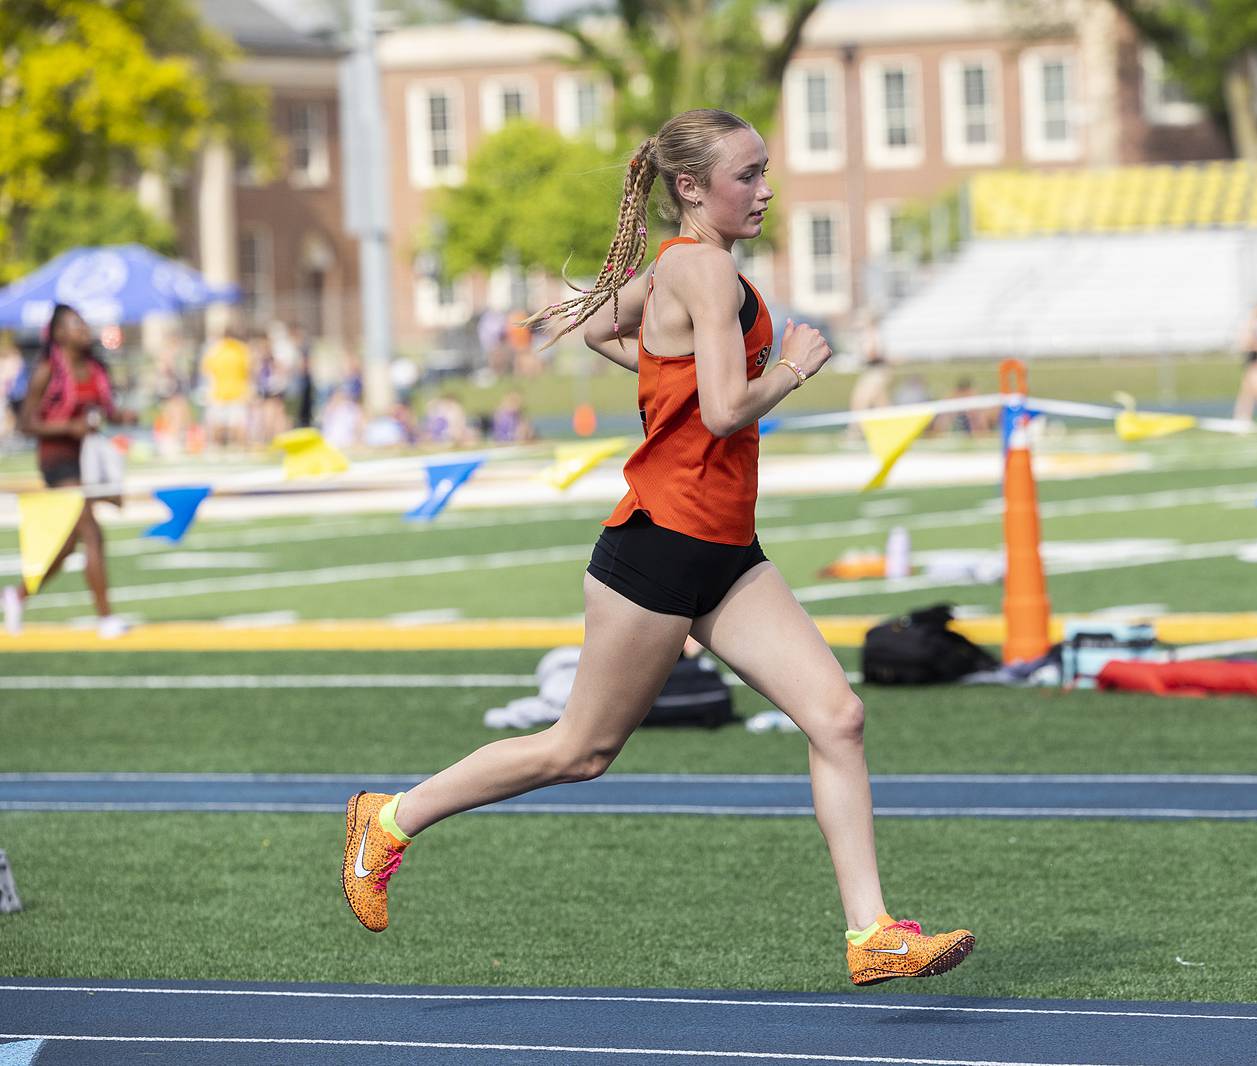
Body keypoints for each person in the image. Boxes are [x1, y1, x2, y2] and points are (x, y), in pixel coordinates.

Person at [340, 108, 974, 987]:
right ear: (691, 187)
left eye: (763, 171)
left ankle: (871, 934)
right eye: (746, 175)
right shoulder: (703, 271)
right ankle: (390, 817)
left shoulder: (684, 268)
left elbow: (603, 330)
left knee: (837, 716)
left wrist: (666, 379)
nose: (764, 189)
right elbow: (722, 409)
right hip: (660, 548)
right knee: (580, 751)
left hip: (723, 547)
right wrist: (791, 366)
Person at [3, 304, 136, 638]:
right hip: (57, 460)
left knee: (69, 543)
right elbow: (26, 424)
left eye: (84, 323)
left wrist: (122, 418)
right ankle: (106, 619)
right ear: (59, 333)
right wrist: (68, 427)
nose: (83, 329)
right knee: (90, 530)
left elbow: (104, 413)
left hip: (89, 459)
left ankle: (17, 595)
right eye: (76, 325)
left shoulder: (95, 368)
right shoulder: (48, 371)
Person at [200, 327, 251, 449]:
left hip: (219, 392)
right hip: (238, 391)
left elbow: (206, 371)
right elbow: (248, 371)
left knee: (217, 424)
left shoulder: (215, 350)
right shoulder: (241, 349)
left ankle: (217, 448)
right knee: (238, 424)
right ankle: (238, 448)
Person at [1232, 303, 1257, 424]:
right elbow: (1247, 345)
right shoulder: (1251, 328)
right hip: (1254, 364)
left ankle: (1243, 418)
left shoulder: (1254, 328)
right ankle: (1244, 418)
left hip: (1254, 364)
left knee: (1251, 395)